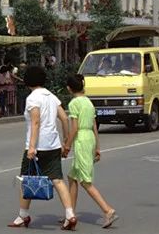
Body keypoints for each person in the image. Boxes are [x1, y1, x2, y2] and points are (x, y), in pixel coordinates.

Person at [7, 66, 76, 230]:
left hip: (38, 146)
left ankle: (23, 215)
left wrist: (31, 147)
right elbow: (64, 118)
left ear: (28, 81)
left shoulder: (32, 98)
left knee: (26, 179)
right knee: (57, 179)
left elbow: (35, 122)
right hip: (53, 145)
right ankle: (70, 214)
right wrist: (66, 142)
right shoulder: (51, 96)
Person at [62, 74, 118, 228]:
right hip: (90, 138)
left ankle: (107, 210)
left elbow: (74, 128)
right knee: (72, 176)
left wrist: (67, 145)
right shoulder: (88, 102)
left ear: (69, 88)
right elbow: (94, 125)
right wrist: (98, 147)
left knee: (85, 181)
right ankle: (70, 214)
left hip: (81, 139)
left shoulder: (74, 103)